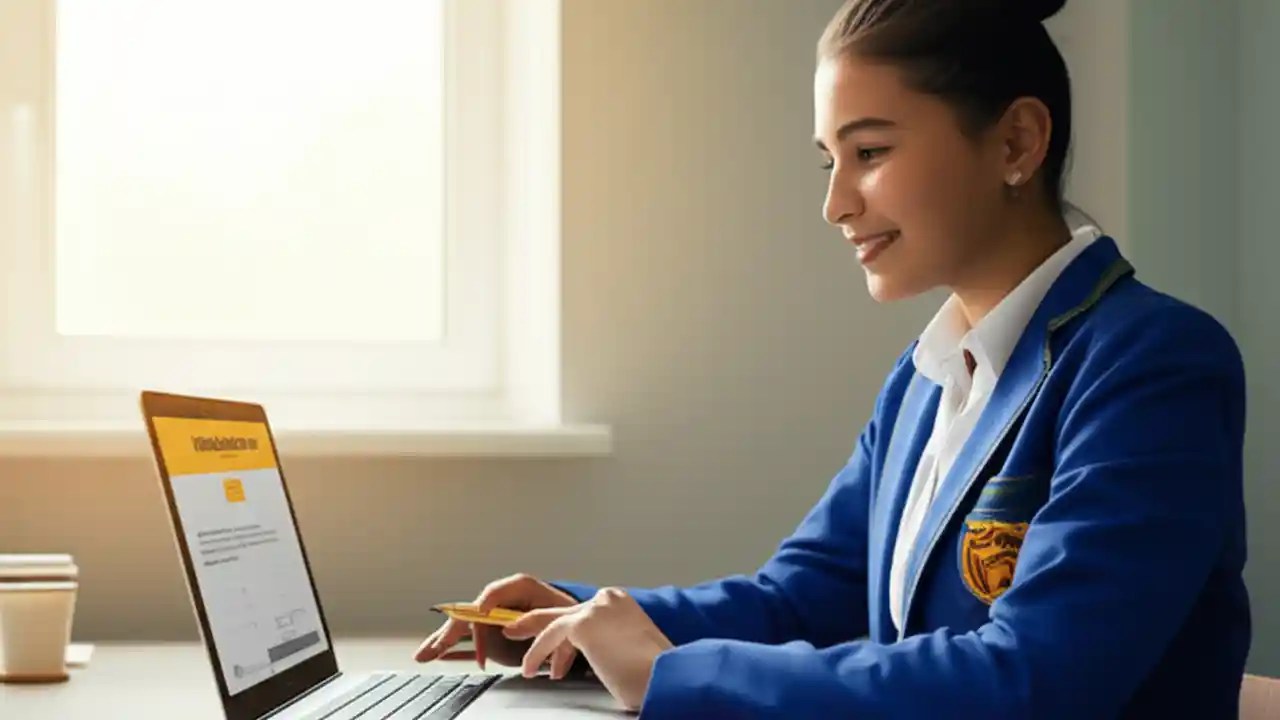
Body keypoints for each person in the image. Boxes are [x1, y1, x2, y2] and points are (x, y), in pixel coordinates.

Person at [415, 0, 1251, 716]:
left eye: (871, 152)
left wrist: (674, 674)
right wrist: (590, 618)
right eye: (830, 160)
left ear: (1015, 143)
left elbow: (1038, 679)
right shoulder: (928, 381)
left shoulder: (1152, 364)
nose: (835, 203)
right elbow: (802, 595)